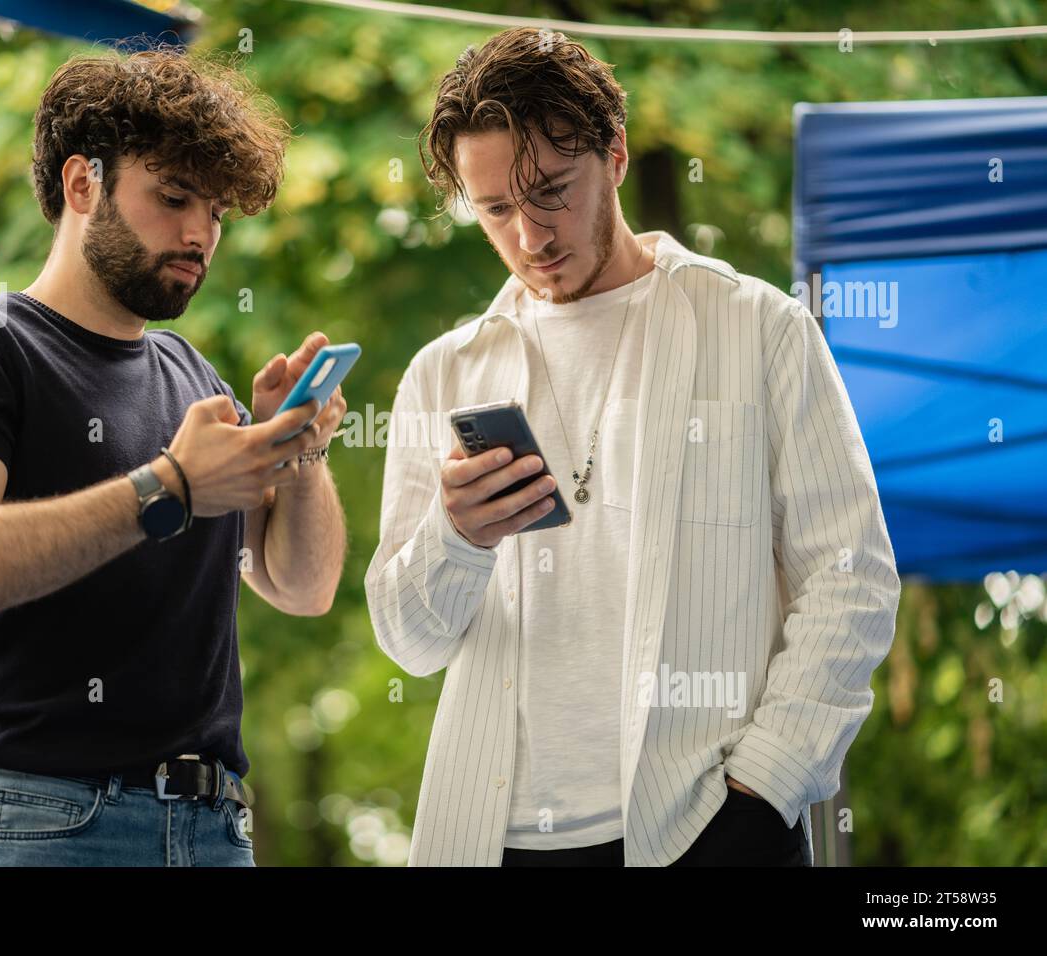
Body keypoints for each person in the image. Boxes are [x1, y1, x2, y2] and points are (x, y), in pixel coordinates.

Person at [364, 27, 901, 867]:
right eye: (497, 209)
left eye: (551, 191)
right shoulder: (444, 375)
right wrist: (457, 540)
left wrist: (765, 795)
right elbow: (409, 641)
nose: (530, 235)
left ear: (614, 153)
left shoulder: (758, 328)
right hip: (493, 836)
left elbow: (850, 578)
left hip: (708, 822)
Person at [0, 45, 347, 866]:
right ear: (82, 184)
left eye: (215, 212)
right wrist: (169, 486)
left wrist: (299, 450)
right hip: (36, 825)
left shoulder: (193, 375)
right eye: (173, 197)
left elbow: (301, 586)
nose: (201, 233)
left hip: (212, 833)